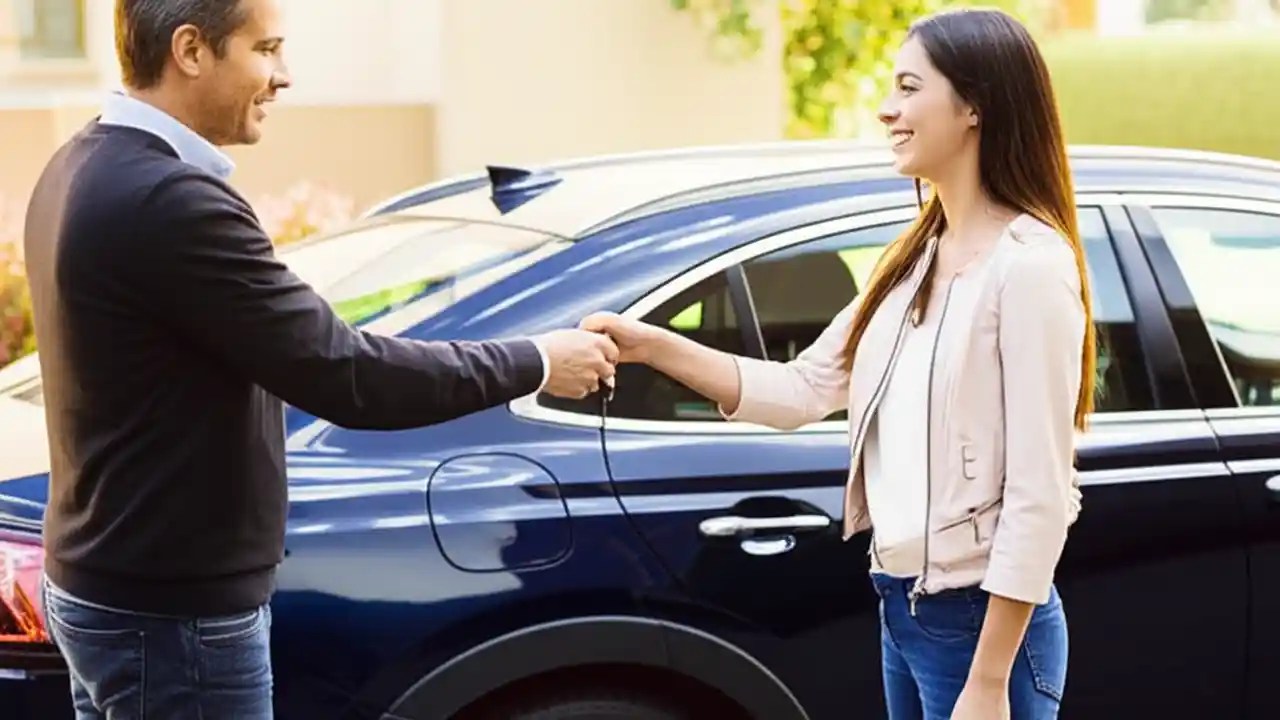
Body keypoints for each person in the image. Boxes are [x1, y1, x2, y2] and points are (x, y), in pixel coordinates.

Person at [22, 0, 617, 717]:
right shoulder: (169, 200)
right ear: (190, 49)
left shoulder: (81, 163)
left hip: (105, 587)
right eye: (266, 49)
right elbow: (351, 375)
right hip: (172, 616)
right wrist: (539, 361)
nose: (284, 76)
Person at [581, 8, 1089, 720]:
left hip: (982, 628)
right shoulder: (913, 260)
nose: (888, 110)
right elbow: (802, 389)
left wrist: (987, 681)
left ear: (975, 106)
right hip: (903, 604)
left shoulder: (1029, 269)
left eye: (909, 89)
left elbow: (1041, 493)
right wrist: (654, 345)